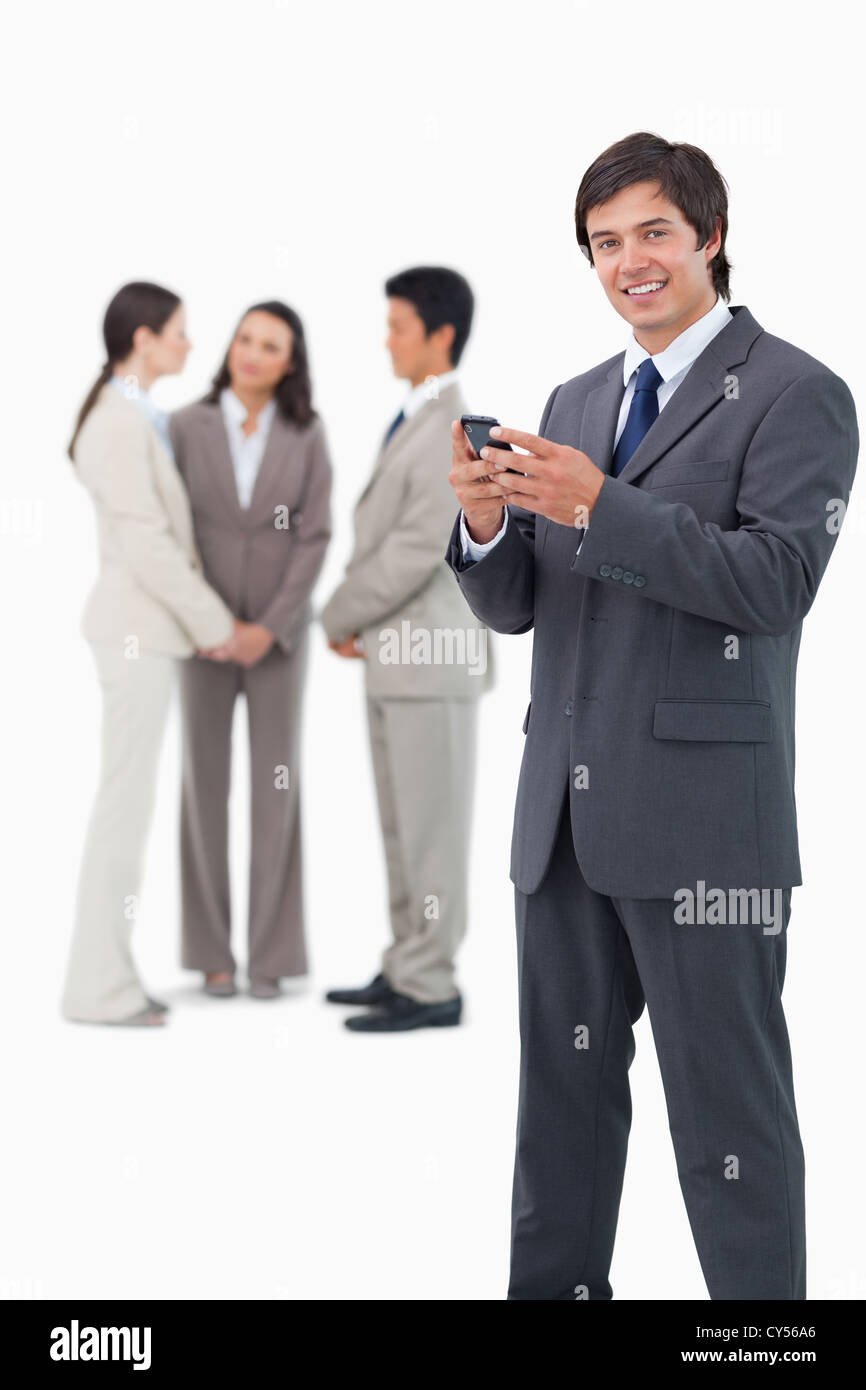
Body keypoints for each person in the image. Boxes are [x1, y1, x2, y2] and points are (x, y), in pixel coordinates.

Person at [445, 131, 859, 1298]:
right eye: (603, 242)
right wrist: (485, 528)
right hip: (563, 821)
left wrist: (602, 504)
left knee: (728, 1127)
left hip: (700, 832)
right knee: (558, 1122)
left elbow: (774, 583)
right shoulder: (577, 396)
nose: (628, 261)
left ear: (709, 238)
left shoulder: (797, 393)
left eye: (652, 234)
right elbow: (528, 602)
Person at [319, 266, 494, 1032]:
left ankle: (433, 985)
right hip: (399, 658)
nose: (385, 340)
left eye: (397, 326)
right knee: (400, 825)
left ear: (439, 335)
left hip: (431, 660)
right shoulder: (412, 418)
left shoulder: (447, 427)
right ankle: (406, 964)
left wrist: (334, 615)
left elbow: (415, 548)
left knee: (432, 829)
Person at [61, 281, 240, 1028]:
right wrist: (214, 622)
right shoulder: (115, 422)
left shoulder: (137, 414)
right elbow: (147, 543)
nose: (190, 345)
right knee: (122, 811)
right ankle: (98, 988)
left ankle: (108, 975)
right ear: (142, 337)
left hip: (147, 632)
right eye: (178, 332)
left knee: (124, 809)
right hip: (136, 632)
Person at [169, 302, 332, 999]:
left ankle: (271, 955)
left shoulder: (306, 432)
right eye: (245, 339)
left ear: (290, 361)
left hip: (278, 636)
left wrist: (270, 624)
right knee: (202, 786)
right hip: (199, 634)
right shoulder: (184, 426)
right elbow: (168, 528)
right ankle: (210, 953)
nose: (253, 354)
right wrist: (205, 619)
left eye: (271, 346)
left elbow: (314, 536)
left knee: (276, 786)